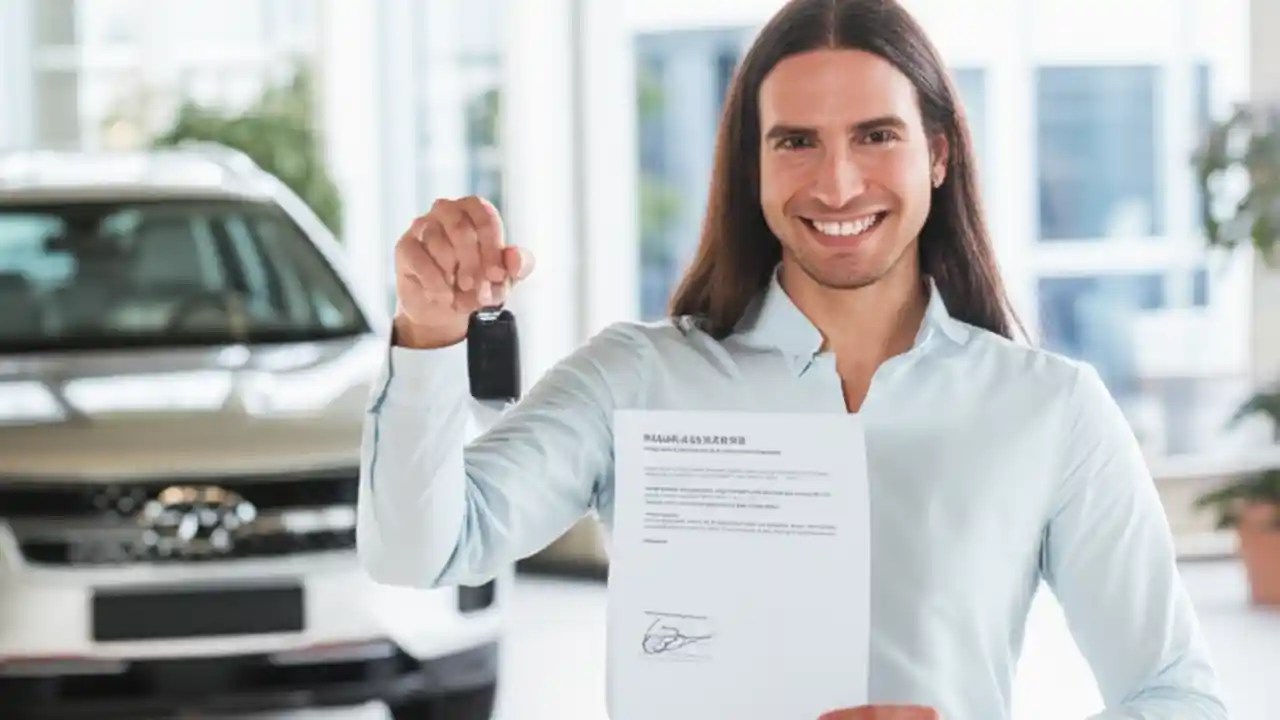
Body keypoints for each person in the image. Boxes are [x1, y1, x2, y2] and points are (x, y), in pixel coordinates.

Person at [357, 0, 1228, 717]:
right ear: (754, 165)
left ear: (940, 155)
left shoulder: (1050, 409)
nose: (838, 184)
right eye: (797, 141)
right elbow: (419, 552)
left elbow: (1173, 692)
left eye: (877, 135)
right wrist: (430, 335)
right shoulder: (633, 381)